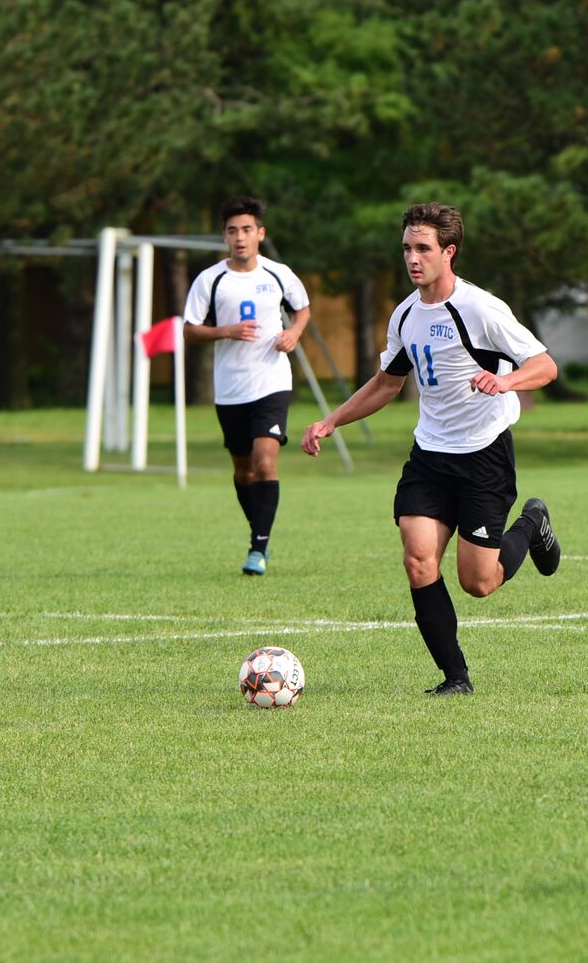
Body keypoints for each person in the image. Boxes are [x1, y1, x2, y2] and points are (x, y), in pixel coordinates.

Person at [302, 202, 561, 696]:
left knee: (478, 582)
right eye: (406, 248)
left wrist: (507, 383)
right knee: (418, 559)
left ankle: (532, 522)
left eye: (423, 248)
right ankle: (455, 677)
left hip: (483, 455)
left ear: (449, 252)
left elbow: (545, 366)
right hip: (430, 457)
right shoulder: (404, 314)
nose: (412, 258)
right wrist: (332, 420)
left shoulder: (481, 309)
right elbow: (387, 383)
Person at [182, 196, 311, 576]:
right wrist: (226, 331)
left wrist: (294, 333)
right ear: (225, 236)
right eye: (233, 230)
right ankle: (259, 532)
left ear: (260, 234)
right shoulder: (210, 280)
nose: (240, 237)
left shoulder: (278, 274)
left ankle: (259, 548)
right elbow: (189, 331)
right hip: (230, 388)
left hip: (271, 381)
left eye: (247, 230)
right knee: (243, 471)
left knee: (264, 462)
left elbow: (302, 309)